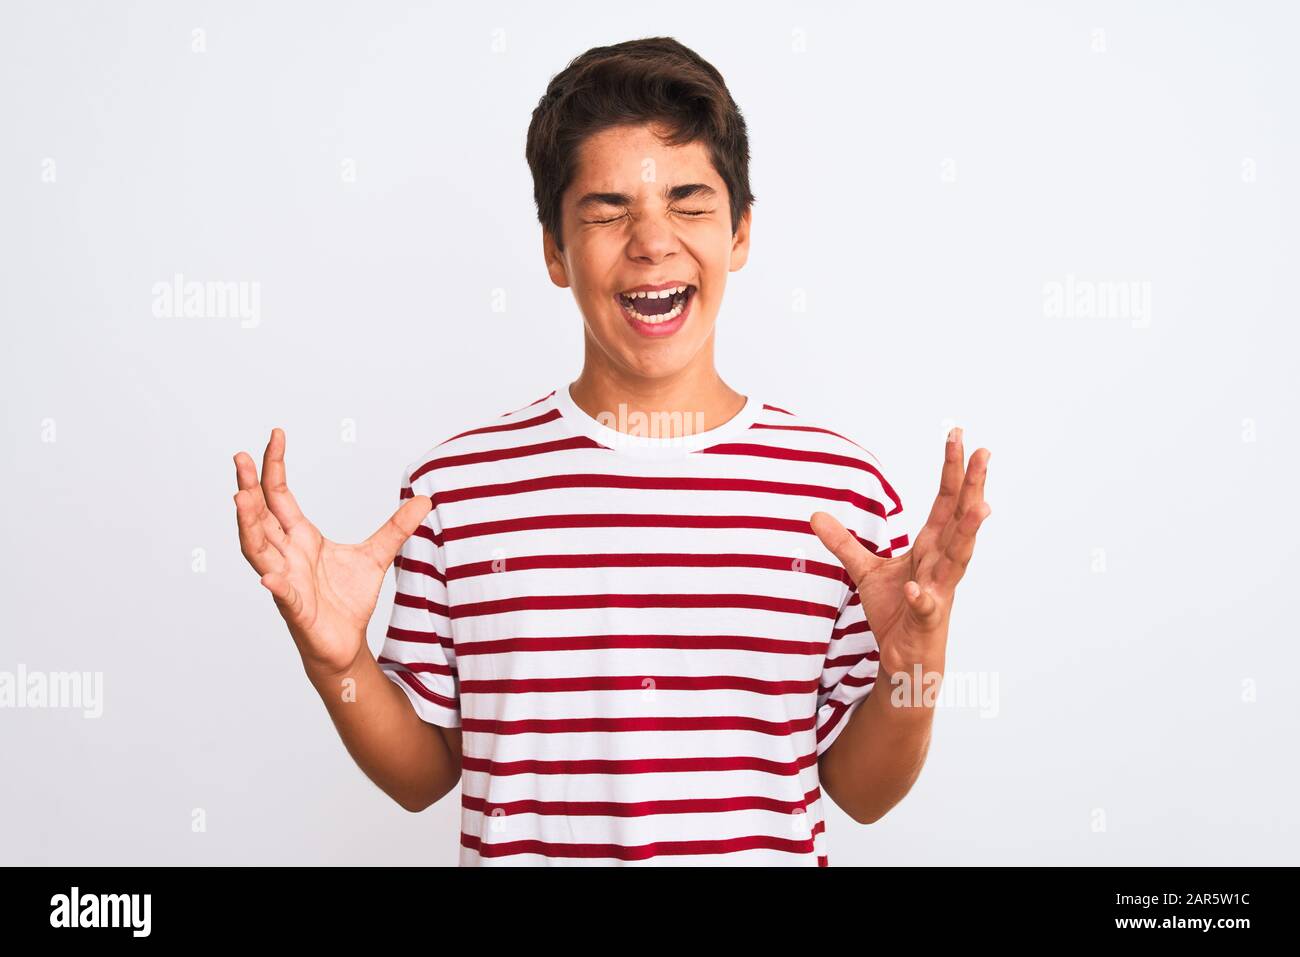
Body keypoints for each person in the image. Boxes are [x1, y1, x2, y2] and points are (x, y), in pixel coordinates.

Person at [232, 36, 991, 866]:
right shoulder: (455, 491)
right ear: (555, 250)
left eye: (690, 204)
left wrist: (915, 668)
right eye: (606, 210)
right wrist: (335, 660)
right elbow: (423, 776)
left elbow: (863, 793)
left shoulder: (839, 496)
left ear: (740, 233)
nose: (652, 241)